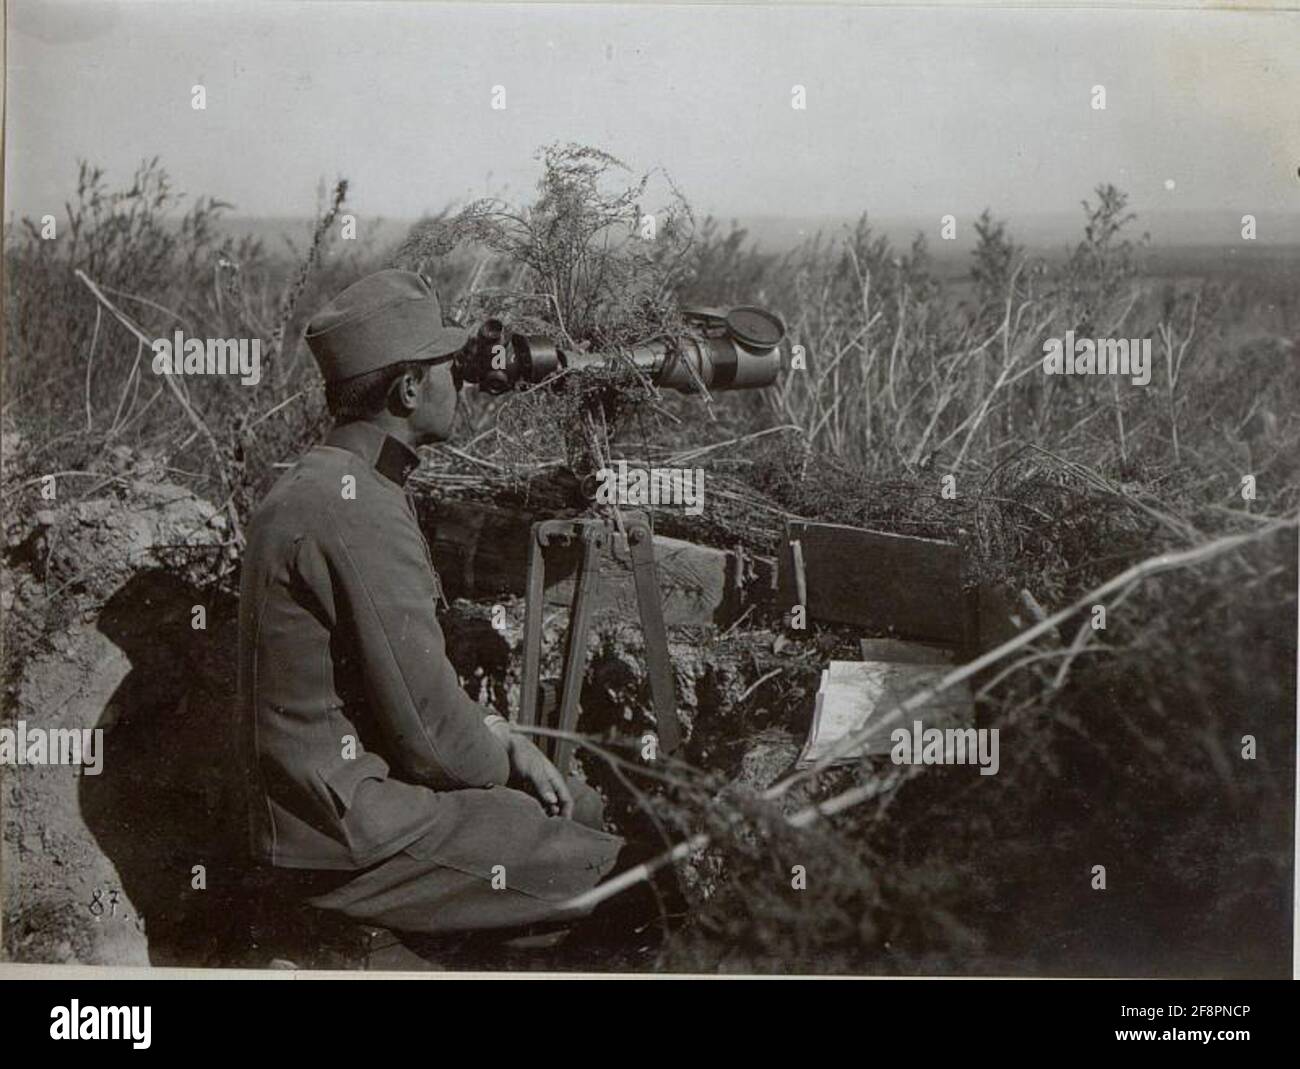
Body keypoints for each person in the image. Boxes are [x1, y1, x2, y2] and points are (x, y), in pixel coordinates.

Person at [236, 269, 626, 938]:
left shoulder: (328, 483)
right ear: (409, 388)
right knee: (627, 876)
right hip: (350, 839)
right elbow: (439, 748)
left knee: (577, 809)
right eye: (449, 364)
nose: (463, 380)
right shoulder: (356, 510)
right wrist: (502, 750)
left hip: (322, 813)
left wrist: (498, 738)